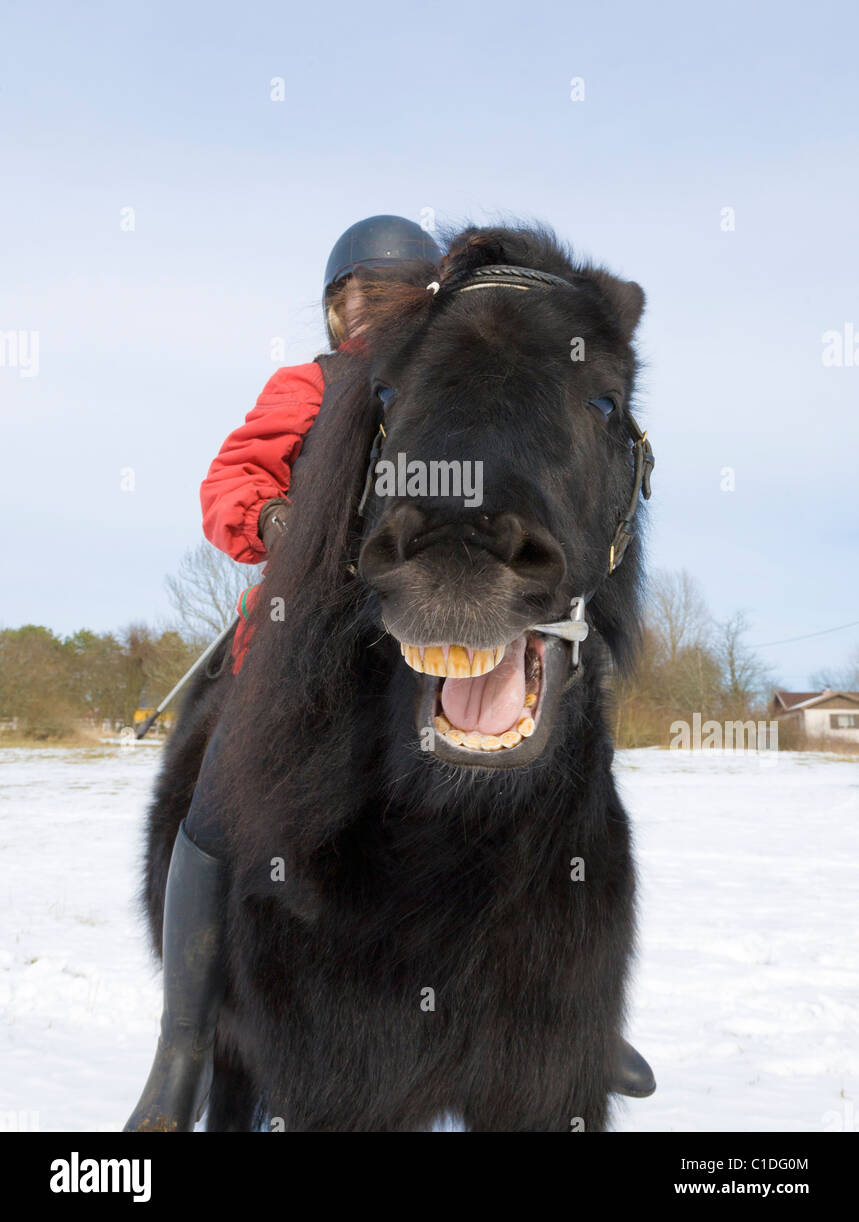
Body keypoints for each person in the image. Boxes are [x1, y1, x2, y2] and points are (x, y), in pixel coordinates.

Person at [124, 215, 654, 1132]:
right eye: (354, 297)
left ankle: (566, 1019)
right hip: (304, 639)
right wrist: (283, 526)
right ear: (333, 313)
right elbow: (232, 485)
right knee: (213, 809)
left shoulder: (457, 367)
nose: (371, 308)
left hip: (451, 609)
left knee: (572, 773)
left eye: (392, 291)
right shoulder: (310, 385)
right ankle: (183, 1052)